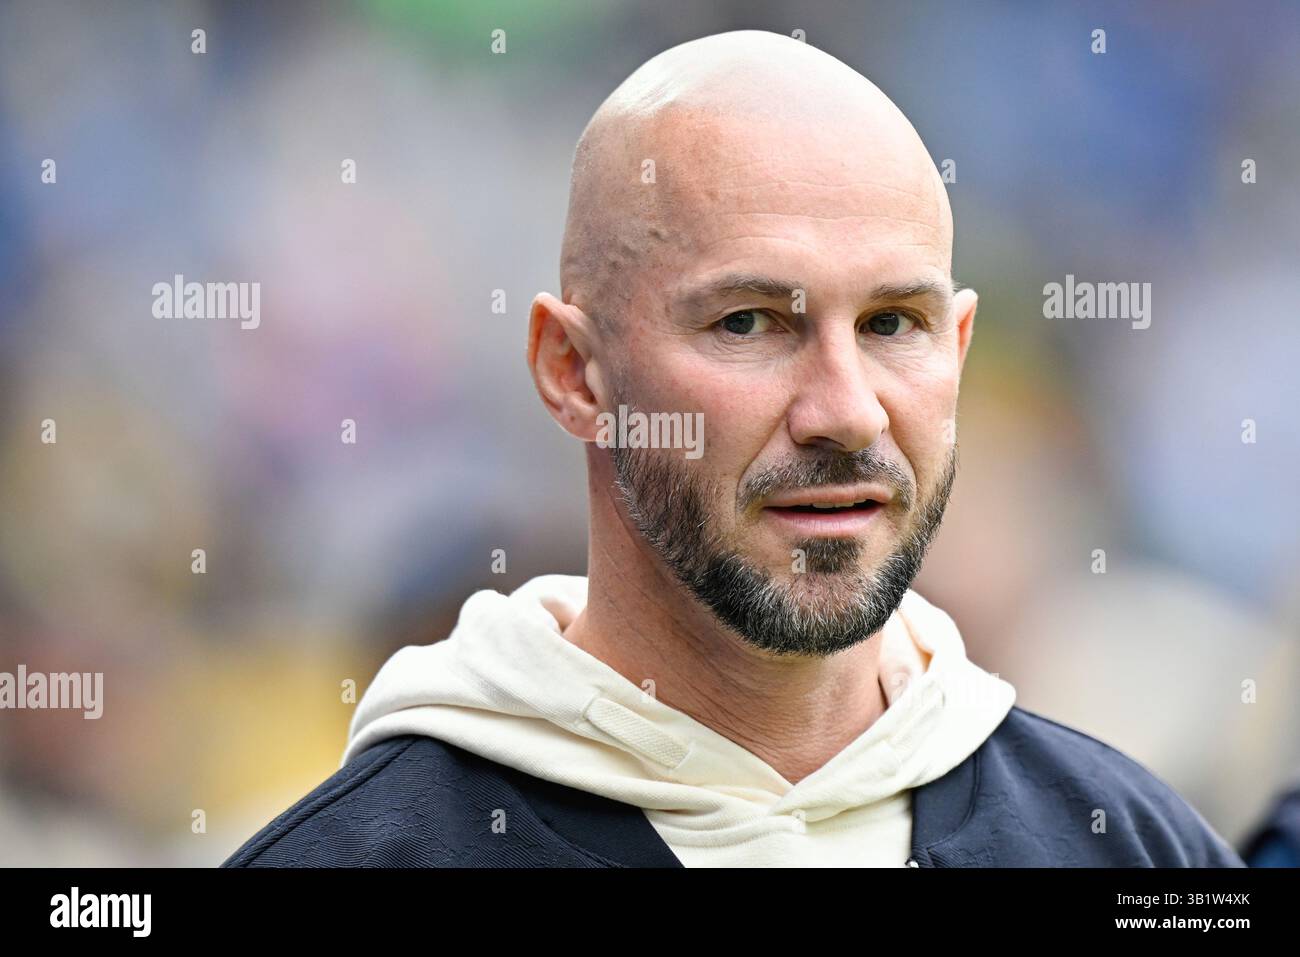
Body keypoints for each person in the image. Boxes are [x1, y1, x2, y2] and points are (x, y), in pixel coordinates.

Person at [223, 30, 1244, 868]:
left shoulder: (1137, 856)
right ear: (575, 372)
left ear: (960, 348)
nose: (846, 412)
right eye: (750, 323)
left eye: (893, 323)